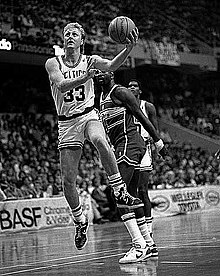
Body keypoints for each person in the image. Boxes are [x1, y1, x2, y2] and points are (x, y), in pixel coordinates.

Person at [45, 22, 142, 251]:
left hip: (88, 114)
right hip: (66, 123)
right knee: (68, 182)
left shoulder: (91, 59)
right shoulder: (53, 63)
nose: (69, 36)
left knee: (99, 140)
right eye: (66, 33)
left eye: (74, 34)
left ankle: (119, 190)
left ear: (81, 40)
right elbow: (61, 85)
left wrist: (128, 49)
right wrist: (85, 77)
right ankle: (80, 221)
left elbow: (110, 65)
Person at [96, 71, 167, 263]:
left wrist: (158, 142)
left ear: (112, 74)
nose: (99, 75)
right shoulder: (101, 98)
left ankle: (139, 245)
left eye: (104, 72)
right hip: (121, 145)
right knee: (132, 194)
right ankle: (149, 244)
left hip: (131, 142)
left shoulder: (120, 92)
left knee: (119, 192)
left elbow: (141, 117)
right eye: (97, 72)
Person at [128, 79, 158, 238]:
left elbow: (154, 129)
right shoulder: (123, 106)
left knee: (143, 190)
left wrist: (157, 147)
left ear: (140, 90)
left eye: (135, 86)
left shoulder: (148, 107)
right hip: (129, 150)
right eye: (129, 86)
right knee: (131, 191)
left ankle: (149, 227)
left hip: (144, 149)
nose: (132, 88)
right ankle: (139, 228)